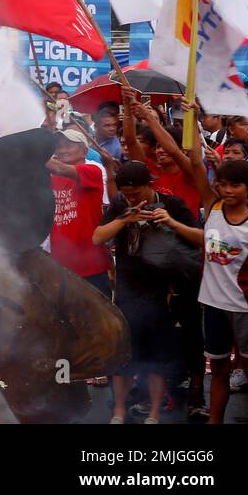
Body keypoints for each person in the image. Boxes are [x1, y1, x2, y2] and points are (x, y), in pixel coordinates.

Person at [93, 161, 201, 424]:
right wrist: (125, 218)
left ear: (149, 185)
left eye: (136, 193)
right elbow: (97, 237)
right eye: (126, 193)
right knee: (124, 357)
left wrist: (171, 223)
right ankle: (118, 411)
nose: (131, 198)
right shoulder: (120, 205)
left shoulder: (172, 204)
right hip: (129, 291)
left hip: (165, 292)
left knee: (158, 358)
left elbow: (201, 238)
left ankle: (154, 413)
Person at [189, 158, 248, 423]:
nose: (228, 190)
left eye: (236, 185)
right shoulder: (212, 208)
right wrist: (190, 117)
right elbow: (192, 162)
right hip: (212, 305)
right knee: (219, 368)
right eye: (223, 184)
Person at [45, 130, 111, 293]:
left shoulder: (93, 170)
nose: (62, 149)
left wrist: (27, 151)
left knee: (98, 318)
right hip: (60, 266)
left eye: (68, 145)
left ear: (84, 151)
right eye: (58, 146)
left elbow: (59, 168)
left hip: (91, 266)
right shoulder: (50, 177)